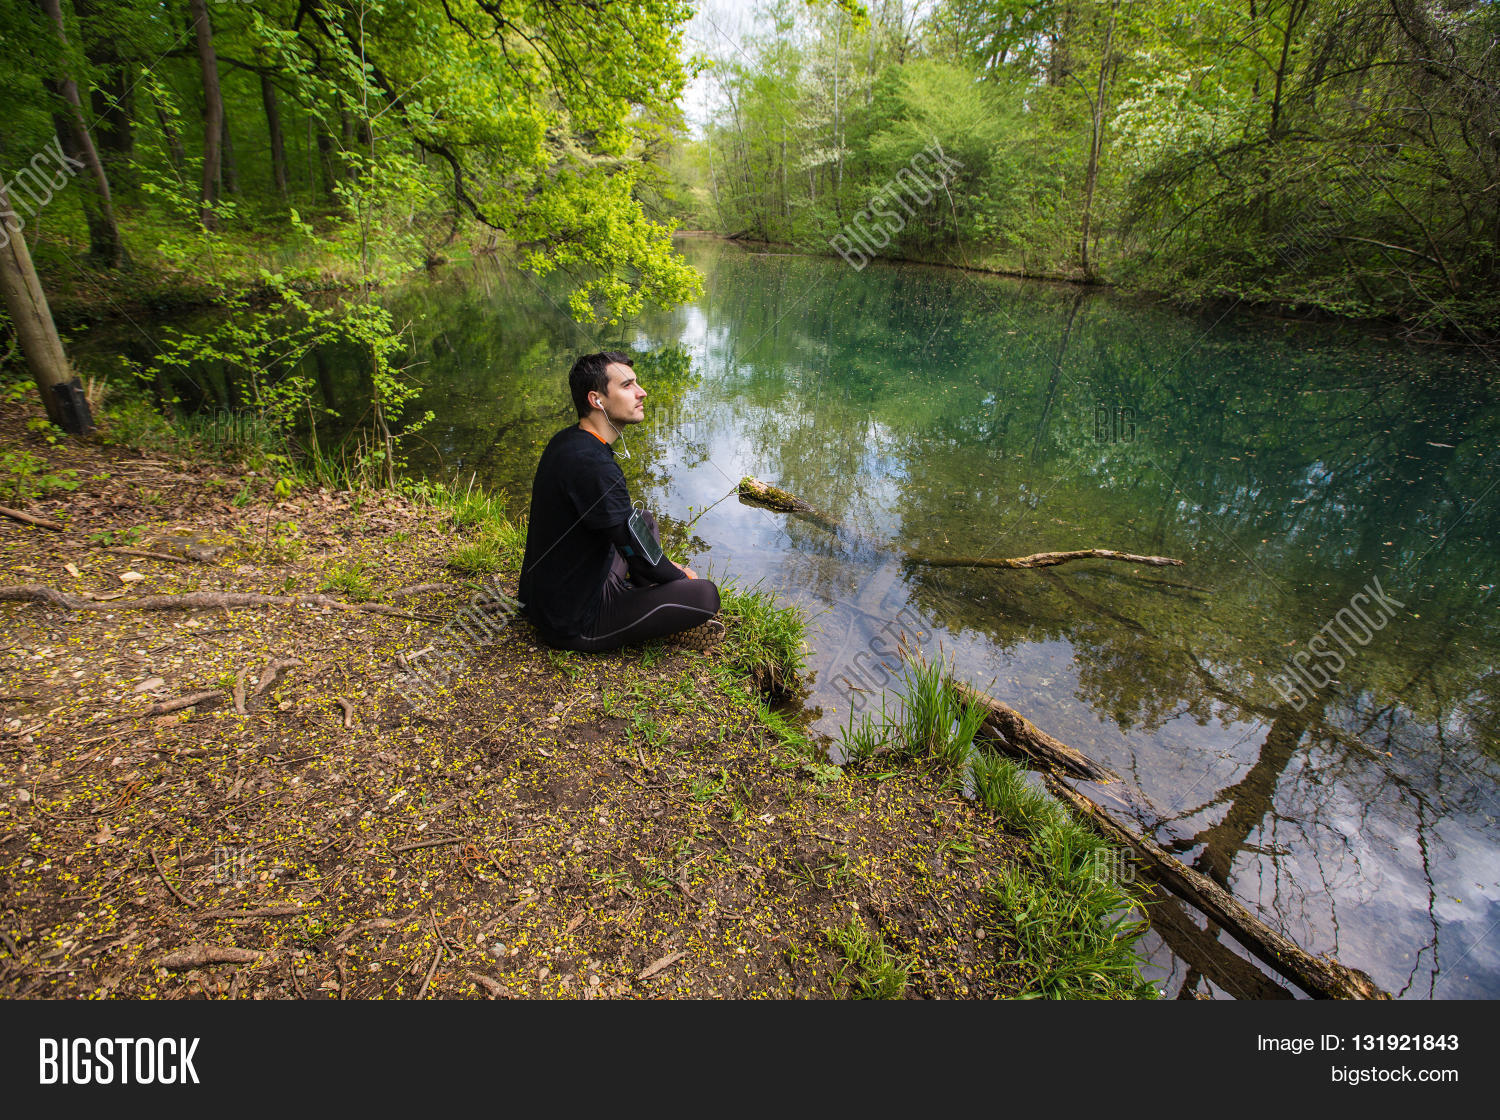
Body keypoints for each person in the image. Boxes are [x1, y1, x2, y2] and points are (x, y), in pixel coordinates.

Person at [517, 351, 722, 652]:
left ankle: (652, 597)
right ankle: (660, 608)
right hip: (574, 621)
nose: (642, 393)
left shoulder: (569, 441)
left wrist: (662, 568)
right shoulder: (595, 467)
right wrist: (679, 576)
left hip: (546, 597)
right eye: (627, 386)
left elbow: (624, 533)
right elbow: (636, 553)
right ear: (596, 400)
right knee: (705, 596)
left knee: (644, 521)